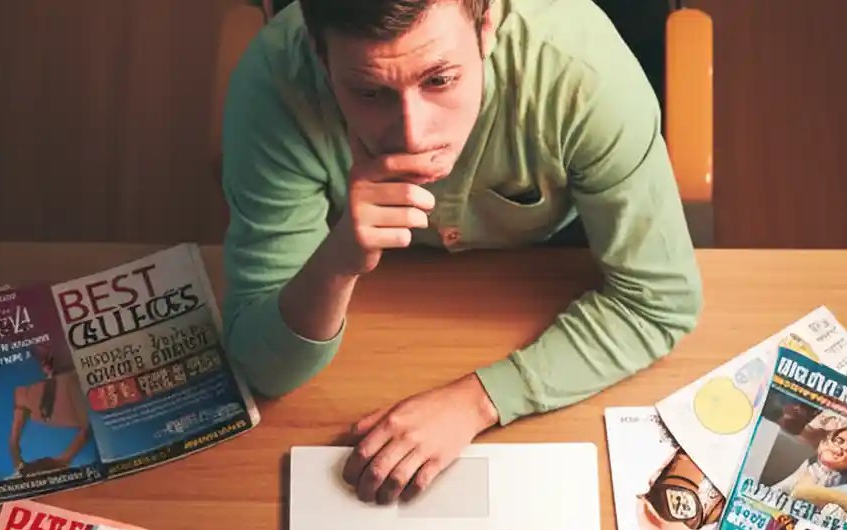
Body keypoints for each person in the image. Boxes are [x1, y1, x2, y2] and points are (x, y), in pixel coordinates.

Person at [220, 0, 703, 504]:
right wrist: (337, 261)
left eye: (440, 80)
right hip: (369, 282)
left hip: (552, 259)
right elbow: (265, 368)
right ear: (320, 57)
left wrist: (478, 401)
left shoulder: (584, 76)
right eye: (369, 92)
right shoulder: (274, 79)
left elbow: (659, 301)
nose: (413, 133)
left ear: (487, 26)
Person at [769, 412, 847, 524]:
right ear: (823, 443)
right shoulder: (801, 464)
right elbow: (796, 492)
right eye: (839, 441)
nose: (843, 447)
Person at [10, 343, 92, 475]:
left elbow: (87, 430)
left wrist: (62, 461)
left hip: (71, 465)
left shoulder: (72, 382)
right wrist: (19, 465)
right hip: (31, 469)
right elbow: (13, 442)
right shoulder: (23, 393)